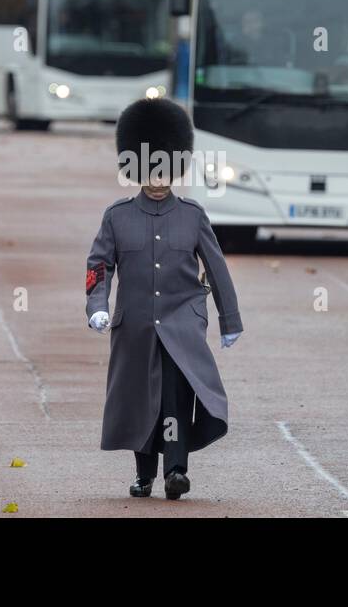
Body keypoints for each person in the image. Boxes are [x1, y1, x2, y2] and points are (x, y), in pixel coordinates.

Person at [85, 97, 243, 501]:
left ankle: (176, 469)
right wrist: (97, 306)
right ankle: (144, 474)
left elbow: (217, 268)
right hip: (135, 324)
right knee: (140, 399)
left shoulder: (193, 216)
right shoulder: (117, 217)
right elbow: (99, 265)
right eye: (149, 170)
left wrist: (230, 321)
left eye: (165, 170)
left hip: (182, 322)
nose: (157, 179)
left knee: (175, 393)